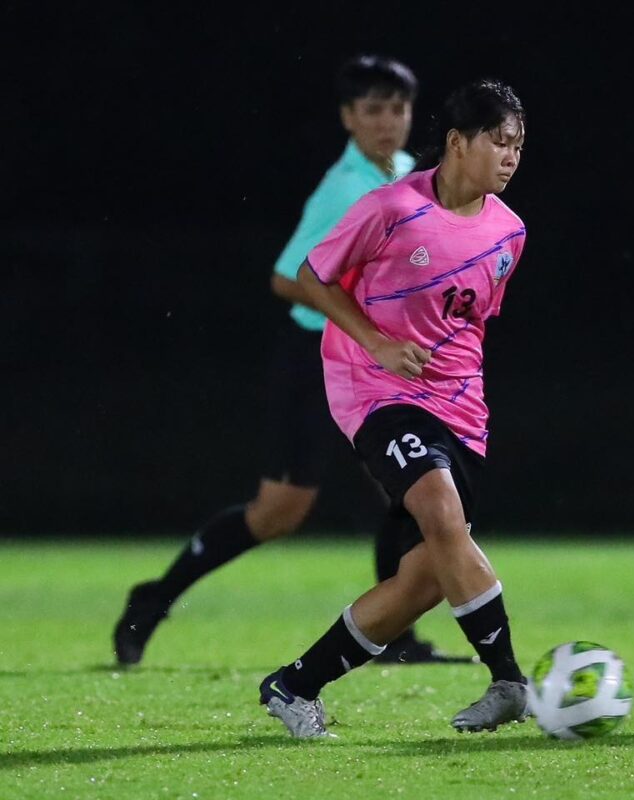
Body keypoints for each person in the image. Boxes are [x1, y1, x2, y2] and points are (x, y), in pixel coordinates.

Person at [113, 54, 468, 668]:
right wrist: (367, 325)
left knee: (414, 489)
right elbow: (286, 276)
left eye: (399, 108)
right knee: (280, 512)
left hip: (377, 360)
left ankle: (396, 637)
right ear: (348, 118)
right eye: (373, 109)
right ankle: (154, 598)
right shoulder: (347, 188)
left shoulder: (413, 175)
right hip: (317, 356)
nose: (388, 121)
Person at [257, 78, 530, 738]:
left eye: (519, 145)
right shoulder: (389, 207)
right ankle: (509, 682)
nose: (511, 157)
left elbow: (469, 326)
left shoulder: (510, 232)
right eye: (499, 142)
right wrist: (375, 341)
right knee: (440, 511)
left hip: (460, 408)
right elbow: (314, 276)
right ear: (459, 143)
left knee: (425, 579)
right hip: (375, 393)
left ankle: (295, 686)